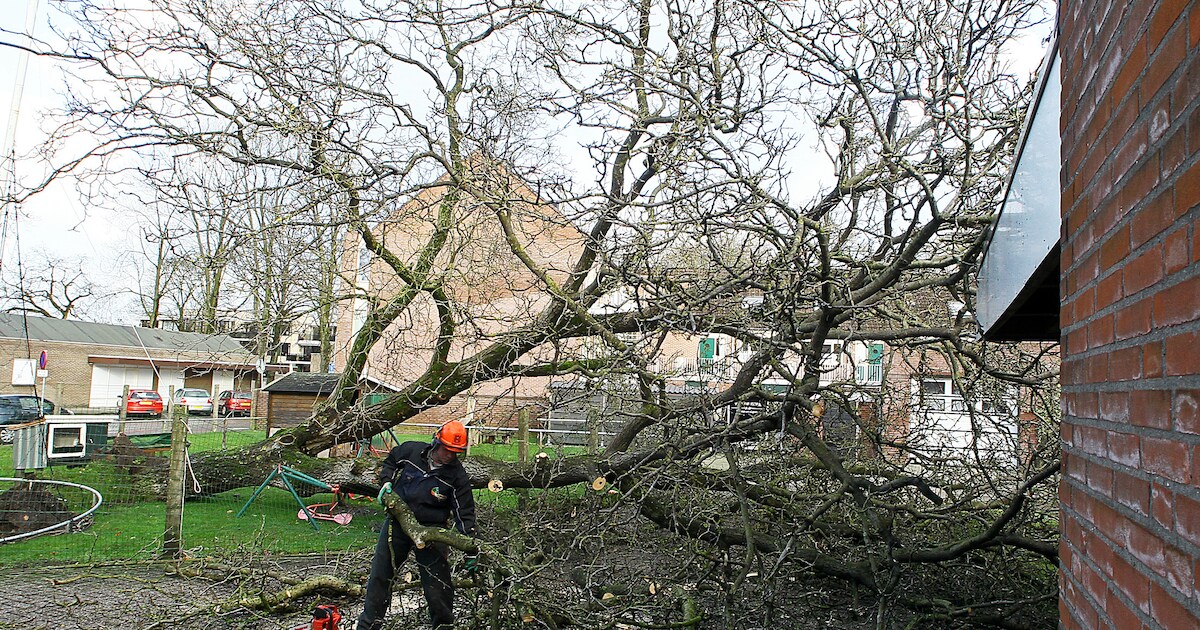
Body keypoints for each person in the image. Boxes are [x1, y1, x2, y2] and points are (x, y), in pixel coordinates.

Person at [356, 420, 477, 630]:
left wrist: (472, 548)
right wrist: (386, 480)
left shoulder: (457, 477)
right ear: (437, 443)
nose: (451, 455)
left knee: (438, 586)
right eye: (448, 450)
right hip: (398, 523)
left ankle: (443, 626)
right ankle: (368, 626)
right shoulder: (412, 451)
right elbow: (392, 459)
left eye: (455, 451)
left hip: (432, 531)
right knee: (380, 576)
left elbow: (464, 512)